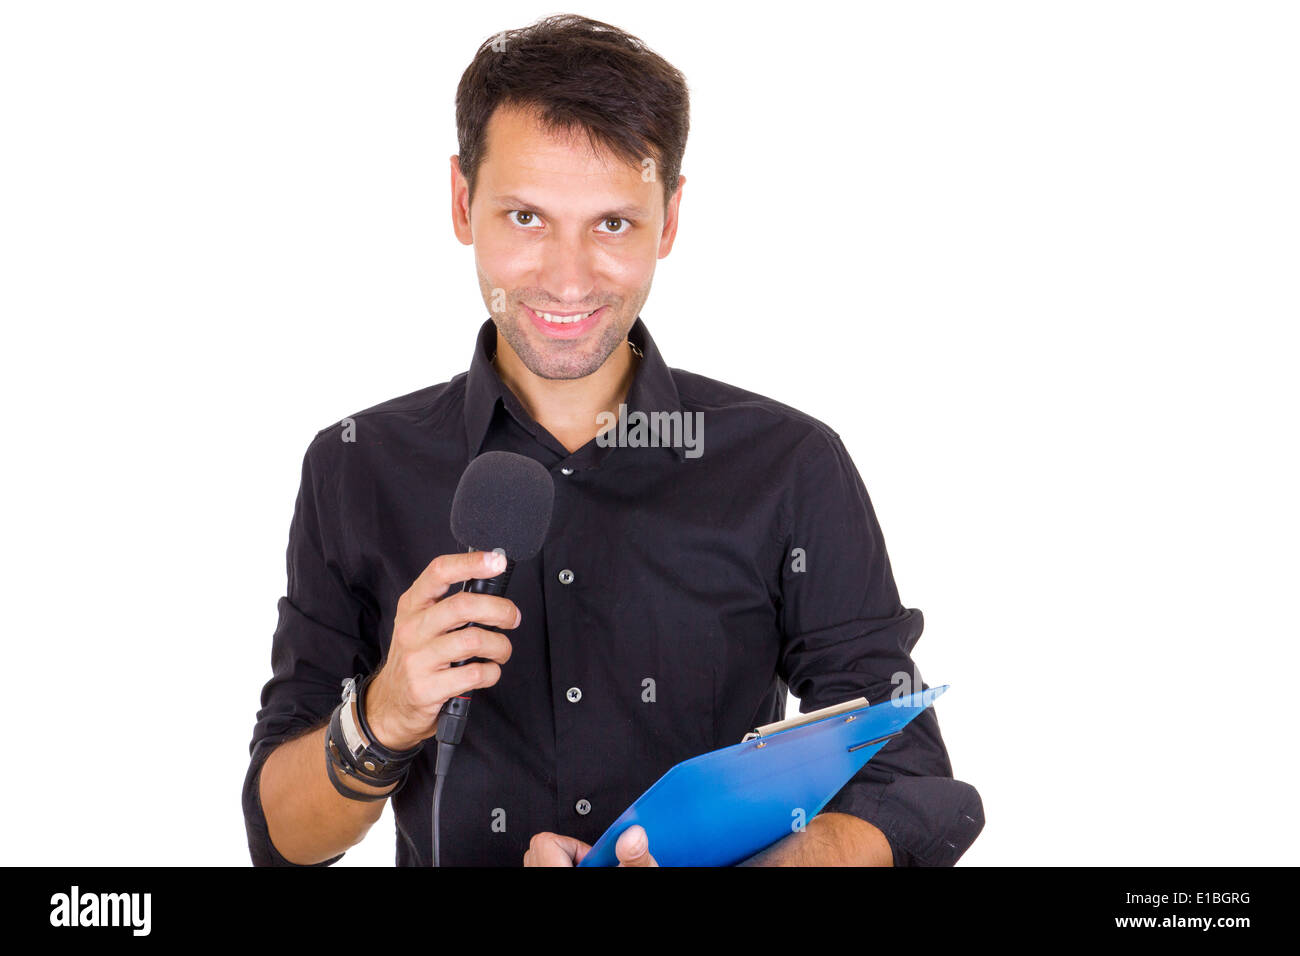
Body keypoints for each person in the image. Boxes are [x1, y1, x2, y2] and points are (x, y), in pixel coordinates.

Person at [242, 13, 984, 868]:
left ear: (669, 219)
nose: (566, 277)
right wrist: (381, 717)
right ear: (460, 201)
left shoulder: (791, 467)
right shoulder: (354, 465)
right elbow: (283, 837)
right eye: (525, 217)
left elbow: (906, 784)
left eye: (613, 225)